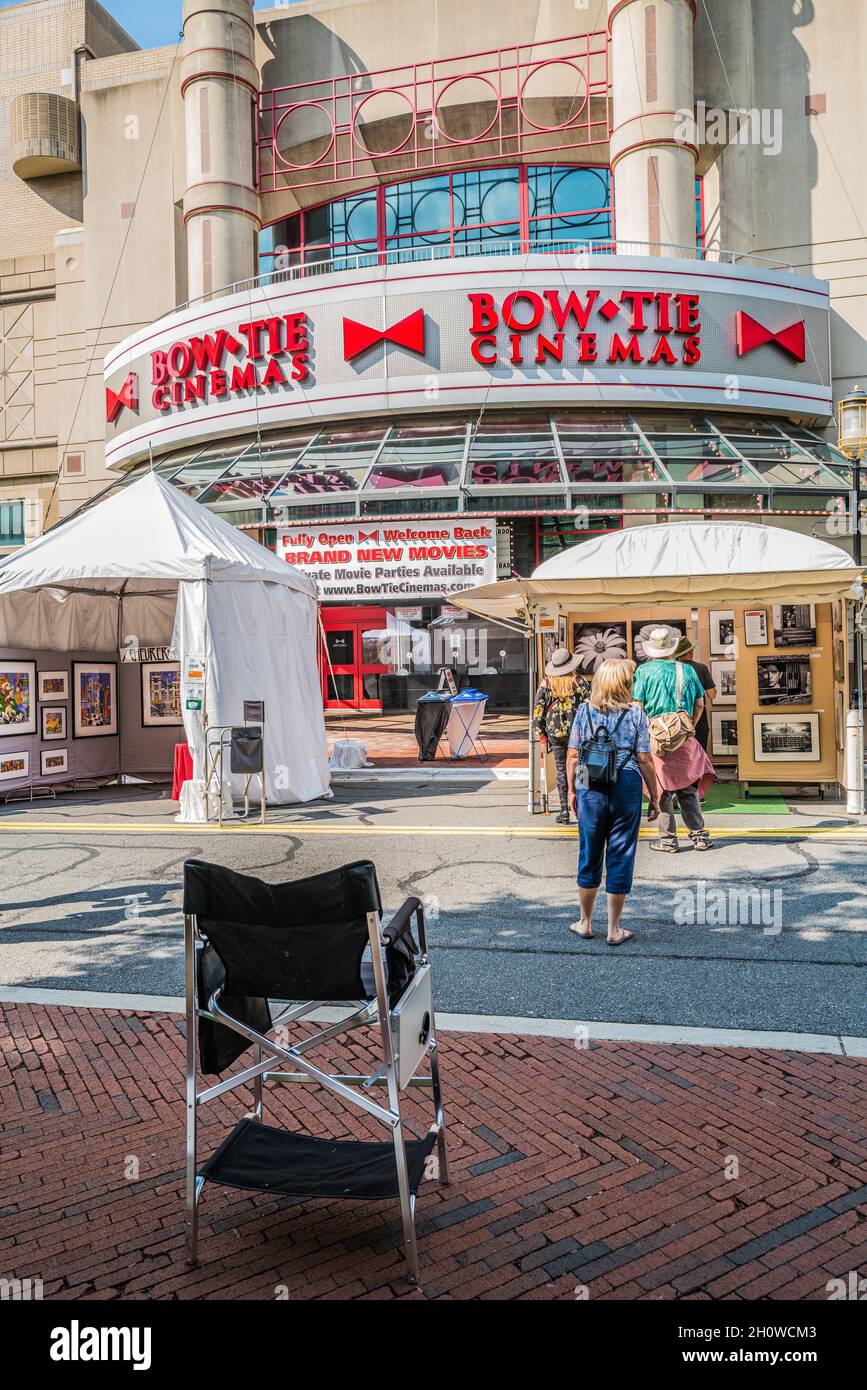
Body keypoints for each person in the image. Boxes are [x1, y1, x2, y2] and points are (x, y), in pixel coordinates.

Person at [566, 658, 659, 946]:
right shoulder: (637, 715)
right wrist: (654, 796)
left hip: (588, 781)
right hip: (626, 782)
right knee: (621, 852)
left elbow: (573, 756)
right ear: (625, 683)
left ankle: (585, 922)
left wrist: (572, 791)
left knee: (589, 850)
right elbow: (644, 758)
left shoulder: (583, 711)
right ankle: (614, 928)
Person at [633, 627, 716, 853]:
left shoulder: (644, 671)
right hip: (684, 736)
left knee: (662, 790)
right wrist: (688, 725)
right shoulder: (687, 670)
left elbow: (638, 707)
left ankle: (668, 841)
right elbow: (700, 703)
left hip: (657, 737)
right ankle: (699, 836)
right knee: (687, 788)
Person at [533, 647, 590, 824]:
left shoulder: (546, 684)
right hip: (578, 732)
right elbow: (590, 707)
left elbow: (537, 712)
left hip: (555, 733)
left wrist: (540, 732)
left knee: (560, 770)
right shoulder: (580, 682)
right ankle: (583, 808)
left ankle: (564, 810)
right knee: (582, 767)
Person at [672, 634, 716, 751]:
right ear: (690, 651)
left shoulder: (671, 669)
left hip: (676, 715)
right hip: (699, 715)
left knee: (679, 752)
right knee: (699, 751)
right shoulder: (701, 668)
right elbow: (712, 695)